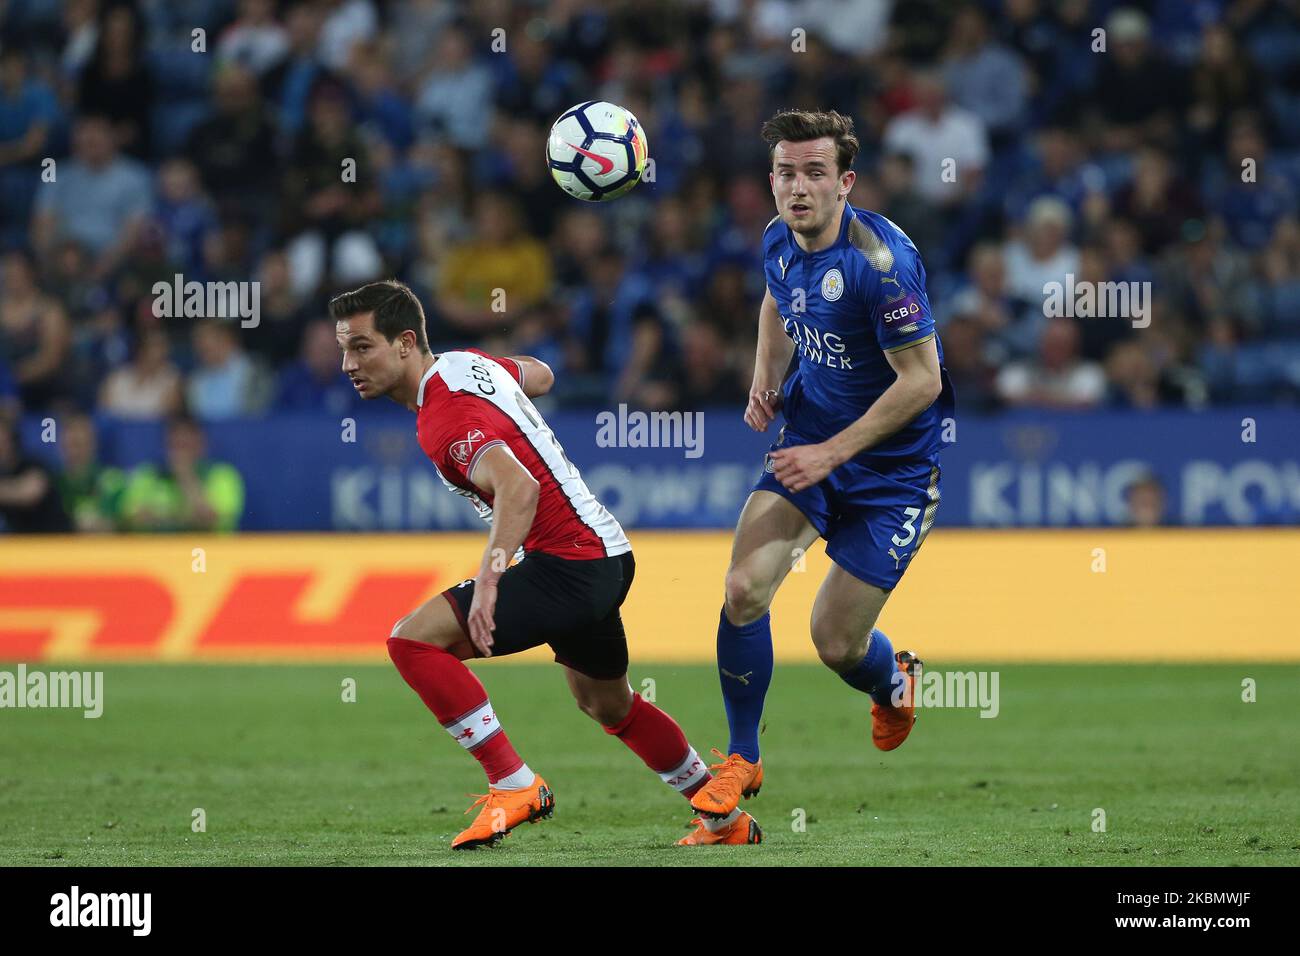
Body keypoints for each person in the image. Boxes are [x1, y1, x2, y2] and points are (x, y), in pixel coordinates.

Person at [331, 279, 761, 849]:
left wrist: (490, 579)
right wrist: (500, 389)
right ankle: (725, 821)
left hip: (569, 564)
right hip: (605, 553)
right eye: (344, 348)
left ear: (406, 343)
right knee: (607, 703)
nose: (347, 364)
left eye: (362, 347)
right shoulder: (467, 365)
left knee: (412, 642)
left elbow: (519, 487)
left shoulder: (445, 417)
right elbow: (542, 374)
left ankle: (514, 785)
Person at [689, 110, 954, 825]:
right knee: (744, 587)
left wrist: (835, 452)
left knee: (836, 643)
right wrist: (764, 380)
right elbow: (778, 302)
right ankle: (742, 756)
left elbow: (922, 382)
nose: (796, 187)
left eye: (813, 173)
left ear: (846, 182)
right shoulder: (778, 239)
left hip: (893, 473)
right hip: (809, 442)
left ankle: (891, 678)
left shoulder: (880, 265)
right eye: (785, 172)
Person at [120, 416, 245, 533]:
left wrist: (185, 476)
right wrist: (184, 519)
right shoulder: (148, 475)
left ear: (201, 445)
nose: (180, 453)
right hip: (154, 551)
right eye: (175, 445)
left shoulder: (222, 476)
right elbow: (132, 520)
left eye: (186, 445)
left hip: (207, 552)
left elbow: (209, 520)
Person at [0, 423, 71, 533]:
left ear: (12, 440)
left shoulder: (33, 465)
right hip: (14, 543)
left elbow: (30, 493)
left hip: (53, 540)